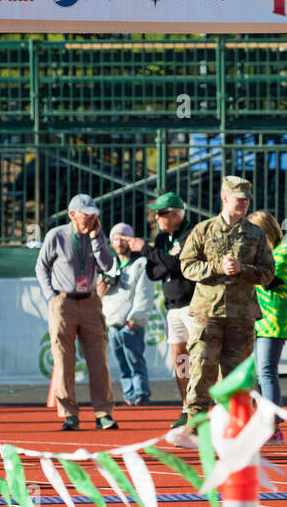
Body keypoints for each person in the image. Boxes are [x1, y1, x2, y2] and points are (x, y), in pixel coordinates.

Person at [179, 176, 275, 421]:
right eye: (240, 199)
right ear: (225, 198)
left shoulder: (256, 234)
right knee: (201, 368)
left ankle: (235, 426)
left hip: (241, 316)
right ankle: (195, 420)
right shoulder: (203, 230)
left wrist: (243, 268)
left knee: (237, 376)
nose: (245, 204)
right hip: (207, 314)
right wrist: (217, 268)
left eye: (247, 200)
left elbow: (267, 273)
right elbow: (187, 266)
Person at [35, 193, 117, 431]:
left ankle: (103, 413)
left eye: (94, 215)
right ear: (73, 214)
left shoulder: (97, 235)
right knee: (63, 359)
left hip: (91, 302)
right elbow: (41, 266)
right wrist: (51, 297)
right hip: (64, 302)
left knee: (98, 360)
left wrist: (96, 240)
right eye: (87, 214)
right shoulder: (56, 235)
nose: (92, 219)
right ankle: (69, 414)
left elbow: (108, 266)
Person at [127, 192, 195, 427]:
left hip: (193, 306)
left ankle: (203, 407)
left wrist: (150, 251)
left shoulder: (190, 234)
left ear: (176, 214)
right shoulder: (162, 240)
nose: (157, 217)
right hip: (173, 308)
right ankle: (187, 407)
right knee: (180, 359)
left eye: (161, 213)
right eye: (156, 213)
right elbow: (154, 272)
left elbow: (179, 265)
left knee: (200, 360)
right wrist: (163, 258)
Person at [249, 210, 287, 443]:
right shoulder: (263, 253)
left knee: (266, 370)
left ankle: (272, 426)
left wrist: (243, 267)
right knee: (256, 374)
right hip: (258, 318)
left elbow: (270, 281)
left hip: (274, 319)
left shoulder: (285, 252)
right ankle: (262, 421)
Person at [99, 222, 154, 407]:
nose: (119, 241)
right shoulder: (109, 264)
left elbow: (144, 293)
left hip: (130, 322)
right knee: (122, 362)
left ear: (130, 240)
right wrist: (100, 290)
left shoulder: (141, 264)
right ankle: (129, 394)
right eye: (116, 238)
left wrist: (136, 318)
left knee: (135, 359)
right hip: (112, 321)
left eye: (124, 237)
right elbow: (99, 292)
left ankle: (140, 393)